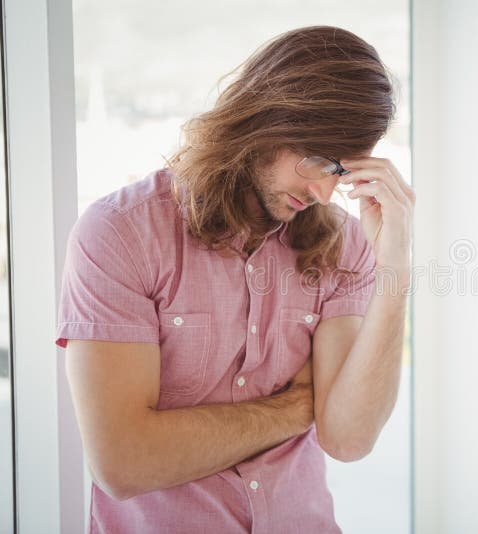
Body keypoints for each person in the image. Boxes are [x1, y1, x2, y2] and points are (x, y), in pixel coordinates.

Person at [56, 25, 414, 533]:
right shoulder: (120, 234)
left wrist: (395, 269)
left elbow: (348, 438)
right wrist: (296, 407)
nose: (322, 192)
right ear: (264, 118)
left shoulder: (344, 244)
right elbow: (123, 462)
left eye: (338, 171)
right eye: (314, 159)